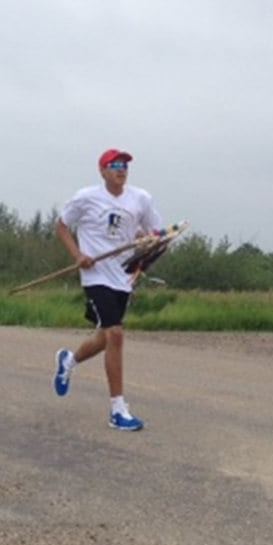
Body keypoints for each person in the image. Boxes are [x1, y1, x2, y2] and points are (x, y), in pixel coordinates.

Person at [53, 148, 163, 431]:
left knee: (105, 337)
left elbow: (156, 235)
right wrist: (78, 256)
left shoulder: (140, 199)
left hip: (122, 277)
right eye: (115, 165)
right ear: (102, 171)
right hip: (96, 275)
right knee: (115, 333)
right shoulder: (86, 197)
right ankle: (118, 410)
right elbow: (62, 226)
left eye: (125, 165)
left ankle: (69, 361)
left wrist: (145, 251)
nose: (121, 169)